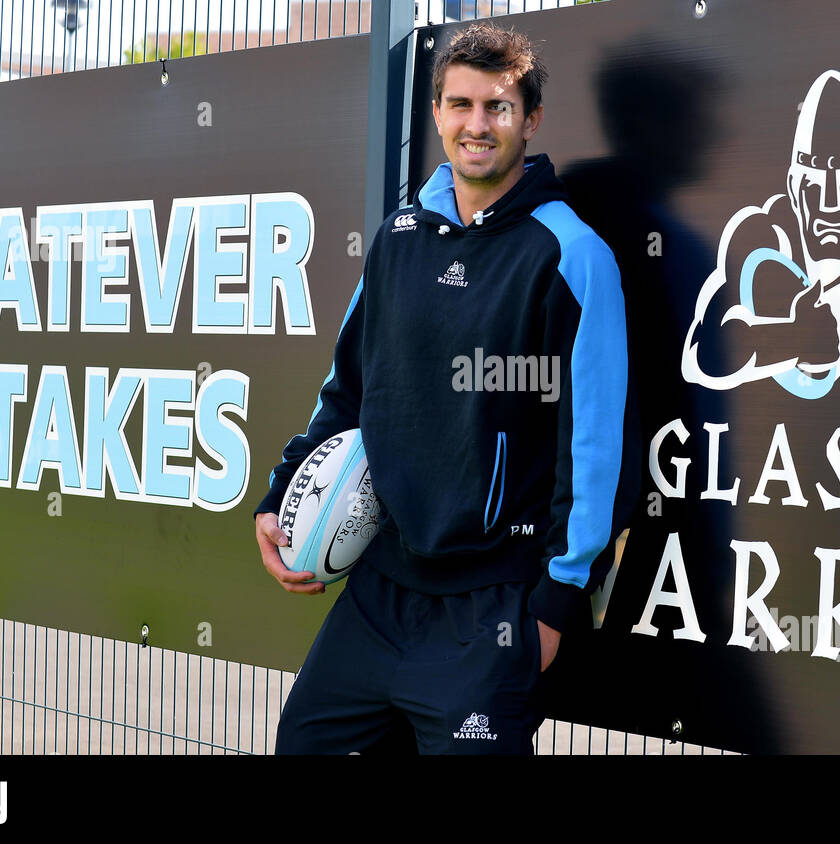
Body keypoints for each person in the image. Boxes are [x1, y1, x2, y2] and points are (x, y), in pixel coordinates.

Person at [253, 22, 636, 754]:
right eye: (460, 105)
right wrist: (282, 494)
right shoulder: (399, 235)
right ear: (436, 114)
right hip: (381, 589)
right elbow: (347, 390)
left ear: (530, 119)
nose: (477, 124)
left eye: (497, 106)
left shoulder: (572, 256)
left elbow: (596, 449)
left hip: (492, 608)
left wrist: (554, 608)